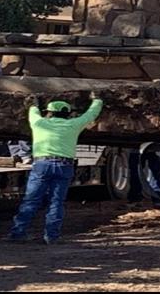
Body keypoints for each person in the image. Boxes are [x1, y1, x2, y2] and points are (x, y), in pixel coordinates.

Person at [8, 95, 103, 244]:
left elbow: (33, 111)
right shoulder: (74, 125)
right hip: (64, 166)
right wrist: (97, 100)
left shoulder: (39, 123)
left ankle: (18, 233)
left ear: (49, 113)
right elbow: (91, 114)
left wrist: (35, 103)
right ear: (68, 114)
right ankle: (51, 237)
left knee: (31, 200)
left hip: (42, 165)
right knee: (56, 202)